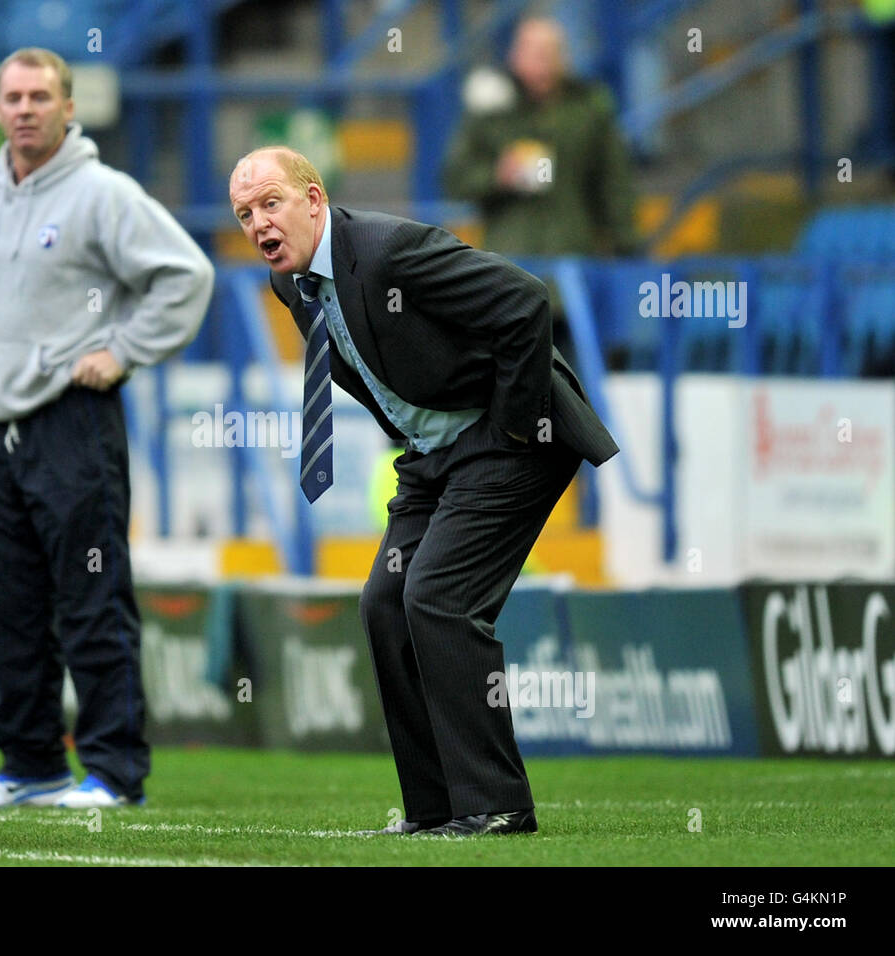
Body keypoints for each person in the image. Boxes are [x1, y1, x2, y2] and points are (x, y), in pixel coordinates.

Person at [229, 146, 617, 837]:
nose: (257, 223)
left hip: (506, 440)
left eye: (270, 204)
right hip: (433, 457)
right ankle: (435, 808)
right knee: (385, 604)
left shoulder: (387, 252)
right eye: (244, 214)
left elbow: (525, 301)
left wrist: (514, 430)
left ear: (313, 200)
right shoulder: (292, 287)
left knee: (435, 598)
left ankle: (496, 803)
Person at [0, 48, 214, 810]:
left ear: (70, 108)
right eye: (12, 96)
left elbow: (185, 275)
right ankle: (30, 764)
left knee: (91, 597)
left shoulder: (103, 194)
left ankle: (115, 772)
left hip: (72, 419)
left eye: (40, 96)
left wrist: (122, 351)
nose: (25, 108)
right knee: (12, 606)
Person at [442, 16, 637, 257]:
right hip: (510, 256)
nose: (542, 63)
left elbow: (614, 180)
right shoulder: (491, 109)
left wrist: (625, 244)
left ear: (564, 57)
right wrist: (497, 176)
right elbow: (455, 177)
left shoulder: (589, 108)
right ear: (515, 55)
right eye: (533, 52)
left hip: (573, 253)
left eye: (549, 53)